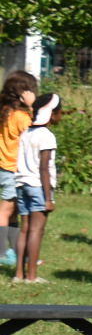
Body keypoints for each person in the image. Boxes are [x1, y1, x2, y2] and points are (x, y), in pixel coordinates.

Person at [13, 93, 62, 283]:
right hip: (38, 187)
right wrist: (48, 198)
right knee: (36, 231)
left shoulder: (26, 132)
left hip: (21, 184)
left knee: (24, 229)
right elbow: (44, 168)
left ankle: (19, 274)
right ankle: (32, 276)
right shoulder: (47, 136)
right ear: (51, 114)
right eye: (59, 112)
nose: (61, 116)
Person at [0, 70, 39, 269]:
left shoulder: (5, 111)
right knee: (6, 210)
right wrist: (33, 106)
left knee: (13, 211)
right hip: (12, 169)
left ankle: (18, 252)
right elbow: (37, 131)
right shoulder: (21, 117)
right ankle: (2, 253)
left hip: (5, 167)